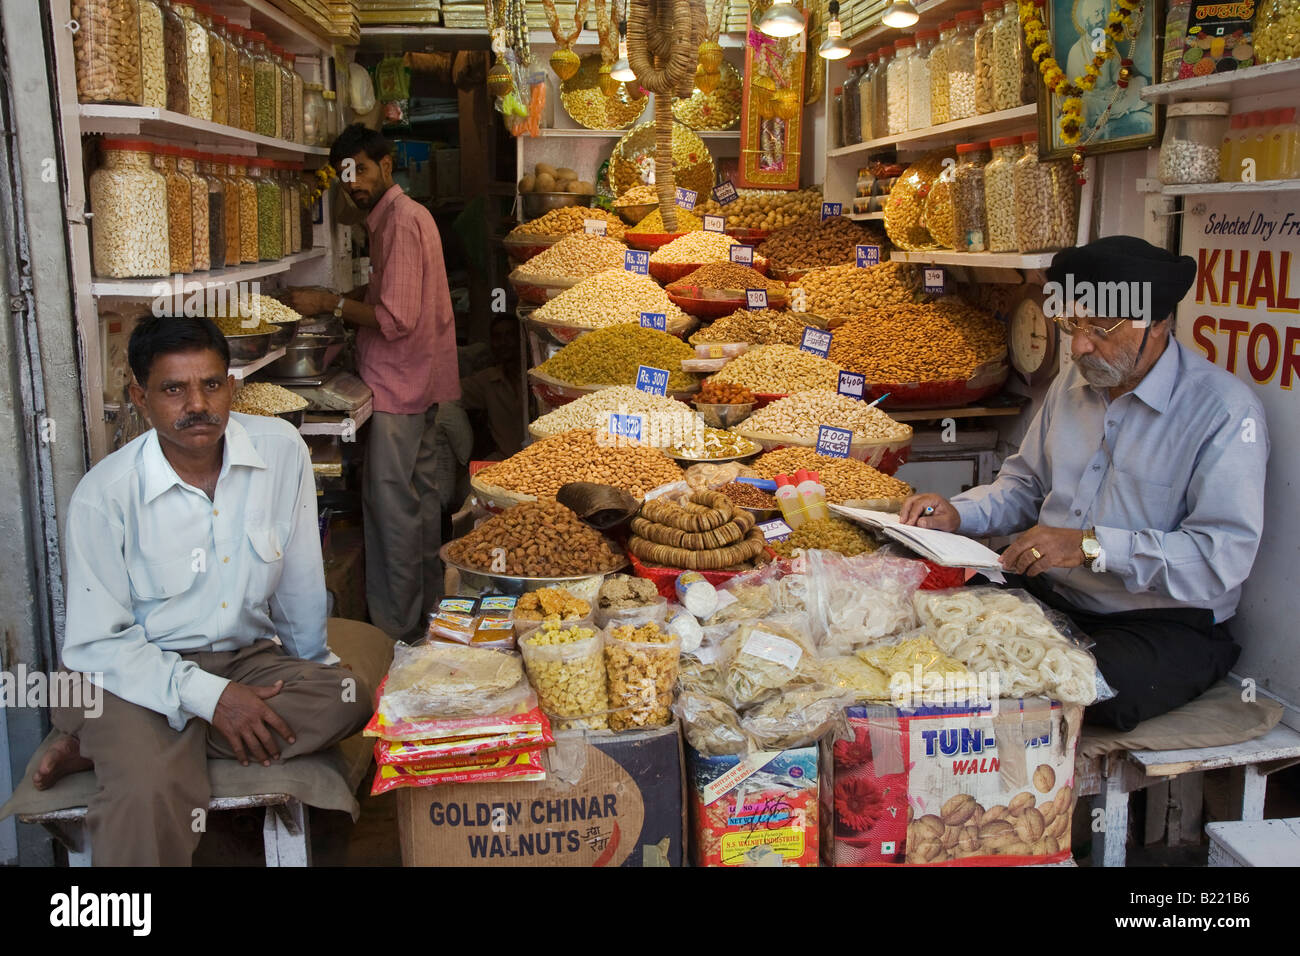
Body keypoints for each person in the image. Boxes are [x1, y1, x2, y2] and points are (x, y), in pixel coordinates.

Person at [29, 317, 373, 866]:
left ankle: (108, 748)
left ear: (231, 387)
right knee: (148, 791)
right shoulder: (107, 496)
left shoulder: (280, 450)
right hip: (130, 675)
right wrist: (214, 700)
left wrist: (313, 672)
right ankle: (127, 751)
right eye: (173, 389)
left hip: (244, 659)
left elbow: (301, 583)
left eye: (211, 385)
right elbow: (97, 647)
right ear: (140, 398)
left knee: (347, 701)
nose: (198, 404)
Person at [900, 236, 1269, 731]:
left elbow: (1219, 558)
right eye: (1073, 324)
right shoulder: (1072, 384)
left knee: (1080, 692)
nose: (1078, 346)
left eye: (1100, 328)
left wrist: (1092, 547)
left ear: (1156, 325)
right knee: (925, 630)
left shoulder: (1223, 412)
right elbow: (1025, 485)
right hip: (1053, 598)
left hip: (1158, 624)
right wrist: (960, 514)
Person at [287, 124, 460, 642]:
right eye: (344, 175)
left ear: (387, 166)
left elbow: (395, 320)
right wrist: (359, 288)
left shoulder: (400, 223)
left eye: (361, 170)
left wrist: (330, 304)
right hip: (420, 383)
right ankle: (430, 613)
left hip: (396, 390)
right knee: (423, 503)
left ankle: (395, 631)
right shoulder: (400, 219)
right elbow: (397, 293)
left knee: (393, 513)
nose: (353, 183)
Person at [455, 314, 526, 460]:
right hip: (503, 462)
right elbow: (449, 392)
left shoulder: (535, 377)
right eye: (497, 337)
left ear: (521, 339)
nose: (503, 343)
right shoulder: (488, 380)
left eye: (509, 336)